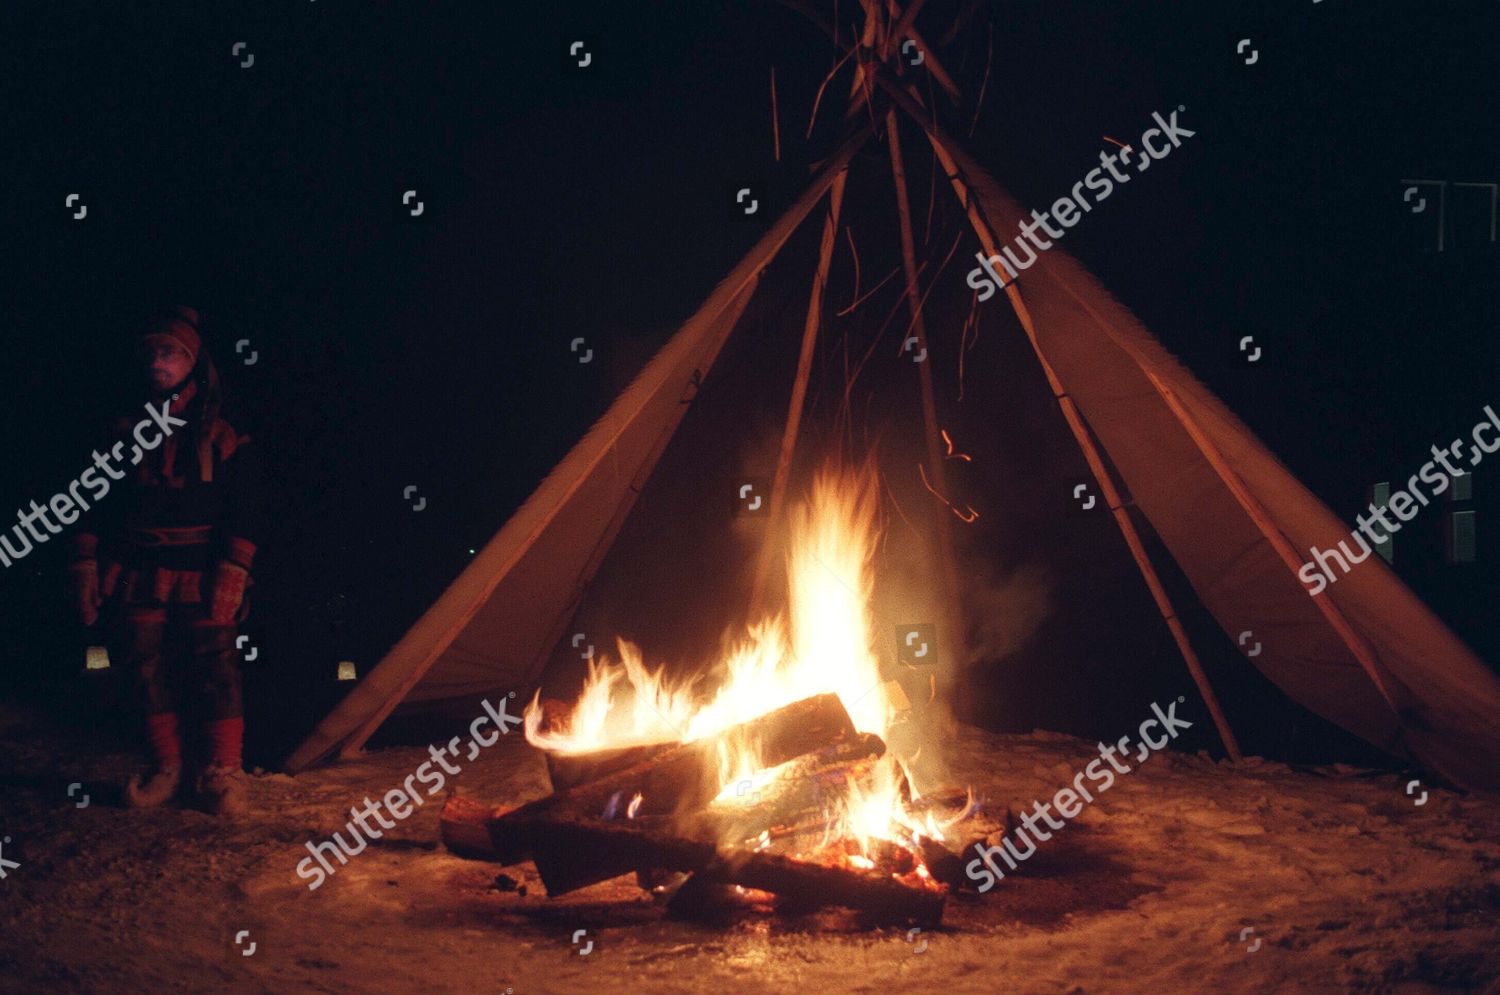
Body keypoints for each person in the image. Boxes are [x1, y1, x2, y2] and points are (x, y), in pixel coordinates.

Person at [69, 306, 262, 815]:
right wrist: (85, 562)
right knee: (145, 665)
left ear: (193, 362)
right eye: (153, 350)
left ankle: (223, 771)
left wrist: (236, 566)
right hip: (140, 567)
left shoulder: (220, 431)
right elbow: (91, 500)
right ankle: (168, 767)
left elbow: (247, 502)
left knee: (217, 665)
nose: (160, 359)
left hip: (205, 566)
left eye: (172, 350)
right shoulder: (119, 431)